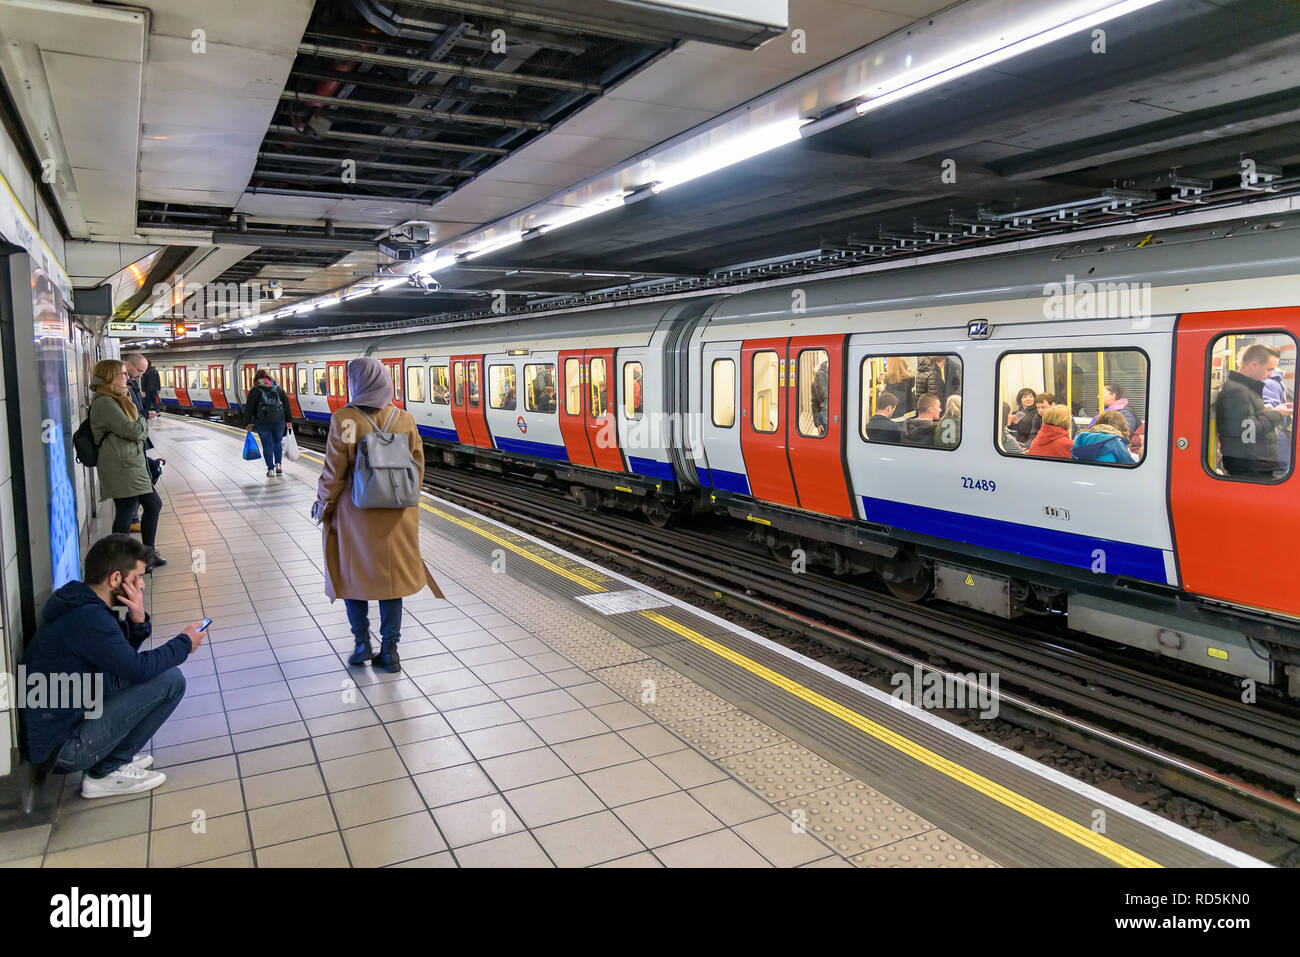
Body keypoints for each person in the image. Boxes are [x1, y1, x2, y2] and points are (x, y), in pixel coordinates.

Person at [23, 534, 206, 798]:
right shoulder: (89, 618)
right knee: (170, 681)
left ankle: (112, 759)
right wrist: (184, 643)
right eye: (138, 577)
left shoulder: (82, 605)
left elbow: (118, 662)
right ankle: (105, 771)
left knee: (153, 677)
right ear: (115, 579)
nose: (142, 585)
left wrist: (138, 621)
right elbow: (137, 668)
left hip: (63, 728)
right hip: (64, 748)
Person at [315, 357, 444, 673]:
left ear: (356, 382)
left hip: (354, 514)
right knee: (391, 582)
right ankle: (390, 650)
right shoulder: (404, 418)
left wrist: (322, 504)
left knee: (352, 577)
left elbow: (334, 472)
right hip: (397, 514)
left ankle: (362, 644)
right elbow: (418, 467)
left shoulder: (345, 419)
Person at [89, 360, 166, 569]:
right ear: (111, 376)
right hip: (121, 465)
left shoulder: (117, 398)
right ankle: (122, 562)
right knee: (126, 510)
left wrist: (139, 422)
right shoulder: (105, 402)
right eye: (123, 374)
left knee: (151, 505)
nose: (127, 378)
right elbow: (133, 431)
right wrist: (143, 419)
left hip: (131, 463)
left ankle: (146, 555)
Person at [1216, 343, 1292, 477]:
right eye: (1269, 369)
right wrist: (1277, 414)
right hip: (1249, 468)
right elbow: (1247, 431)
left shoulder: (1245, 389)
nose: (1270, 375)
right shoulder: (1236, 391)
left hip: (1254, 465)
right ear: (1254, 365)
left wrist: (1272, 411)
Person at [121, 354, 161, 532]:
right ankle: (127, 548)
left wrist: (143, 417)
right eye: (139, 371)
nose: (140, 375)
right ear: (128, 365)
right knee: (148, 504)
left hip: (134, 450)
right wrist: (143, 420)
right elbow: (132, 425)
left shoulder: (130, 386)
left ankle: (142, 548)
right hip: (127, 454)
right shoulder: (111, 399)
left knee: (146, 503)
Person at [243, 368, 292, 477]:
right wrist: (289, 420)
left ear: (257, 379)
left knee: (267, 445)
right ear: (270, 378)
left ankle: (270, 470)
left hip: (262, 421)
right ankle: (279, 465)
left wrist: (247, 423)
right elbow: (287, 406)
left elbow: (249, 409)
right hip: (279, 420)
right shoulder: (279, 389)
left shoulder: (255, 391)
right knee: (277, 442)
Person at [1261, 361, 1292, 473]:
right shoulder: (1277, 382)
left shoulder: (1267, 383)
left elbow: (1273, 418)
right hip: (1279, 451)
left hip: (1274, 452)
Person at [810, 357, 829, 435]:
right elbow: (815, 403)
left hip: (822, 416)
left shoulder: (813, 385)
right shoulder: (814, 384)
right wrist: (817, 423)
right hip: (824, 417)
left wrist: (817, 423)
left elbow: (814, 404)